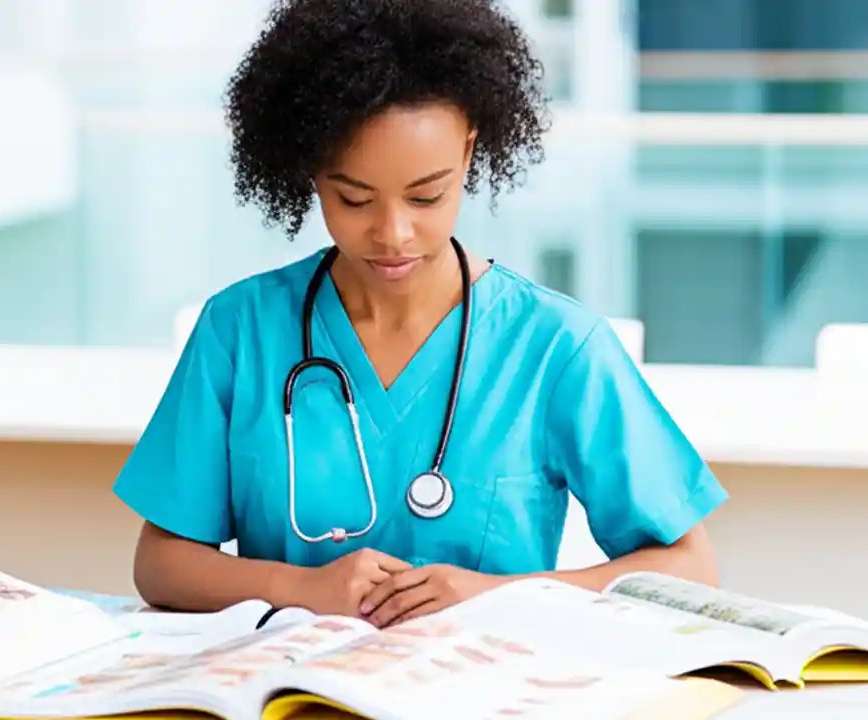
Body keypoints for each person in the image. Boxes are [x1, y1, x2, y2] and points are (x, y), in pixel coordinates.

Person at [113, 0, 727, 627]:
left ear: (469, 151)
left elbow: (689, 565)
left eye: (427, 196)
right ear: (309, 172)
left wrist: (499, 594)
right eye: (354, 198)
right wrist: (301, 587)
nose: (393, 233)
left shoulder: (555, 347)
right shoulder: (239, 331)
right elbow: (161, 563)